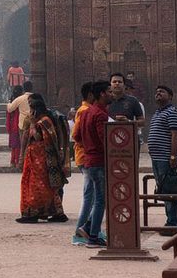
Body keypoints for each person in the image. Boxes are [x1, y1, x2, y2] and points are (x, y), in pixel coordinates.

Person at [16, 95, 67, 223]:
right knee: (41, 186)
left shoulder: (44, 121)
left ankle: (35, 213)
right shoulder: (38, 120)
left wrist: (33, 124)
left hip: (43, 161)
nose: (30, 112)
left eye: (31, 108)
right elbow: (26, 137)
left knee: (38, 186)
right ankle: (48, 212)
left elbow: (39, 138)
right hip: (35, 159)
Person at [76, 80, 112, 248]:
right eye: (109, 91)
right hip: (99, 160)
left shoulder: (86, 113)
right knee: (100, 200)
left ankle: (88, 227)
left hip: (88, 159)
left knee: (97, 198)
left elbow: (76, 136)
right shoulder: (100, 114)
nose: (112, 94)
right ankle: (93, 236)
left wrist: (88, 146)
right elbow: (104, 140)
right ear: (102, 94)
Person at [147, 85, 177, 228]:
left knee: (169, 189)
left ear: (170, 96)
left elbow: (175, 135)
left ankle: (172, 222)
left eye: (162, 92)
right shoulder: (158, 113)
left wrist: (173, 156)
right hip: (156, 157)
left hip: (165, 157)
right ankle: (170, 220)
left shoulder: (172, 112)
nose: (158, 94)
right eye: (156, 92)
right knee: (163, 189)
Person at [71, 83, 95, 246]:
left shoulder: (86, 110)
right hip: (86, 157)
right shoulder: (85, 111)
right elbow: (76, 135)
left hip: (86, 156)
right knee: (90, 197)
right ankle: (81, 231)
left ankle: (90, 229)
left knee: (93, 197)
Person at [7, 80, 36, 147]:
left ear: (24, 88)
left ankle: (23, 156)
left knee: (23, 144)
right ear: (32, 88)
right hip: (35, 122)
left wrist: (9, 102)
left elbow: (10, 109)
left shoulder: (20, 99)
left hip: (23, 124)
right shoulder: (36, 97)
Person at [7, 84, 24, 167]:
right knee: (18, 145)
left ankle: (13, 161)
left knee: (14, 145)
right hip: (18, 124)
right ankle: (17, 161)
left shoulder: (11, 102)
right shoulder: (20, 101)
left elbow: (8, 115)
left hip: (12, 125)